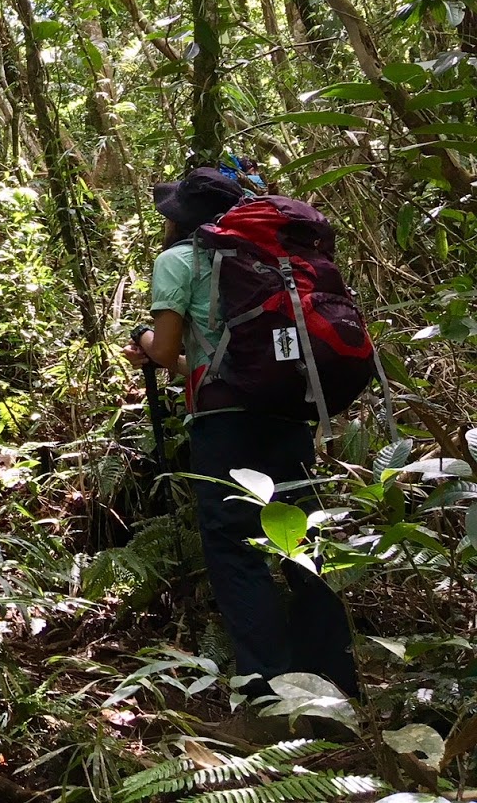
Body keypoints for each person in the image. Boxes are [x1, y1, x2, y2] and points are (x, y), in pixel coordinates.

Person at [123, 165, 360, 704]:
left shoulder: (178, 260)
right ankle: (337, 682)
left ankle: (267, 690)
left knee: (235, 548)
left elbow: (166, 354)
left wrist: (144, 338)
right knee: (302, 540)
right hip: (288, 414)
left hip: (224, 423)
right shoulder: (275, 262)